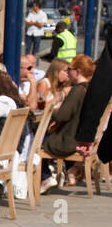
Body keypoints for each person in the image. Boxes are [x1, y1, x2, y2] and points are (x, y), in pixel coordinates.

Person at [42, 53, 93, 185]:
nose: (68, 72)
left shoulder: (77, 90)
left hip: (68, 141)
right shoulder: (89, 89)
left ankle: (44, 177)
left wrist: (51, 109)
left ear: (78, 71)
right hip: (78, 137)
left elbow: (62, 116)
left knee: (35, 142)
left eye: (69, 69)